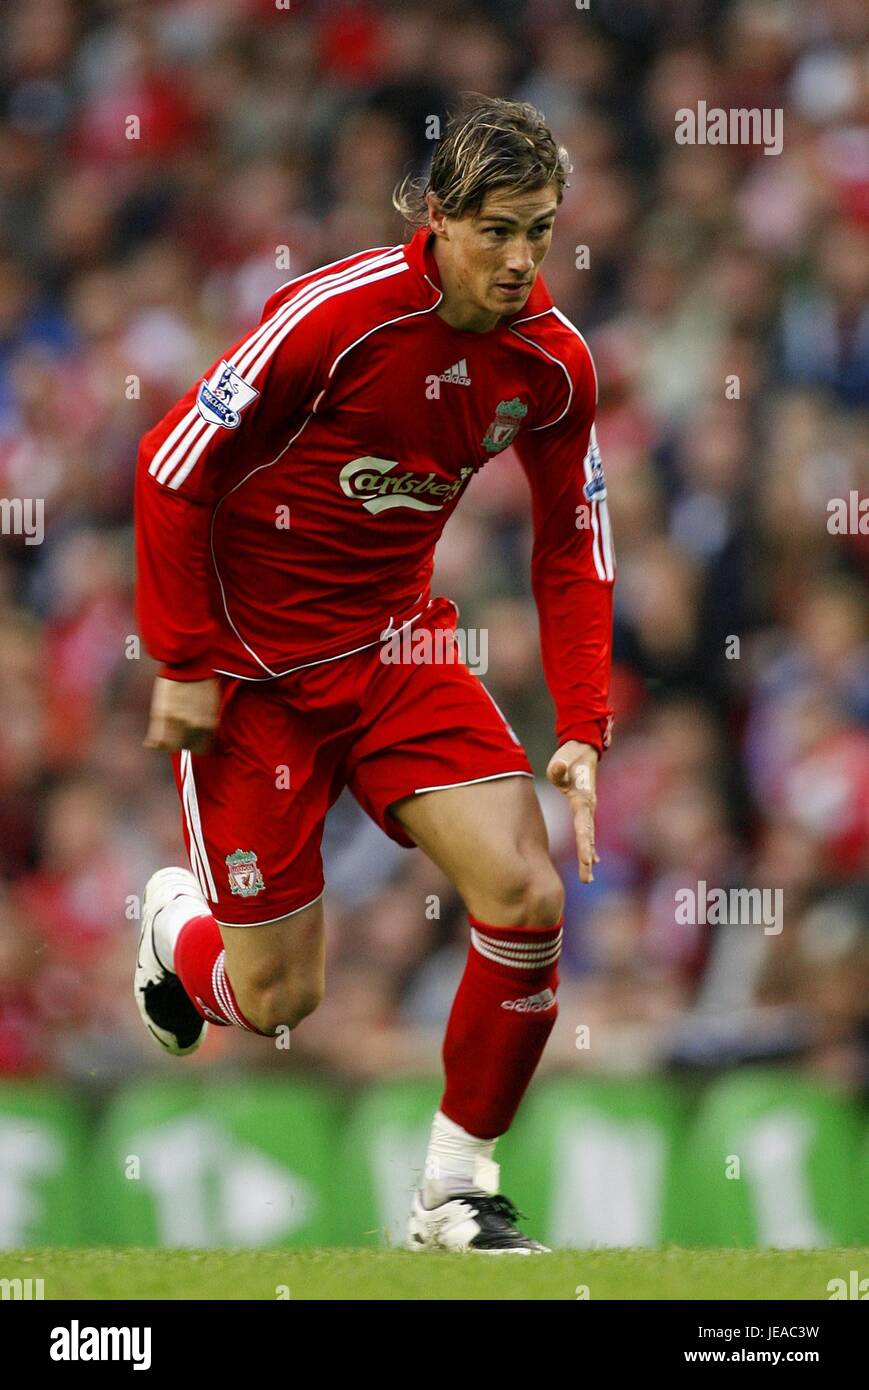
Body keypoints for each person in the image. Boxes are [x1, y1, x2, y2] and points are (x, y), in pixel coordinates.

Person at [132, 93, 615, 1253]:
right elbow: (168, 468)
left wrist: (584, 721)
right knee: (278, 1000)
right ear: (438, 217)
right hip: (252, 683)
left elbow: (571, 540)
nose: (518, 260)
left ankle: (453, 1192)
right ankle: (171, 926)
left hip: (398, 651)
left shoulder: (549, 365)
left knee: (525, 892)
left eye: (539, 233)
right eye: (497, 230)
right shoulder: (332, 318)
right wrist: (185, 662)